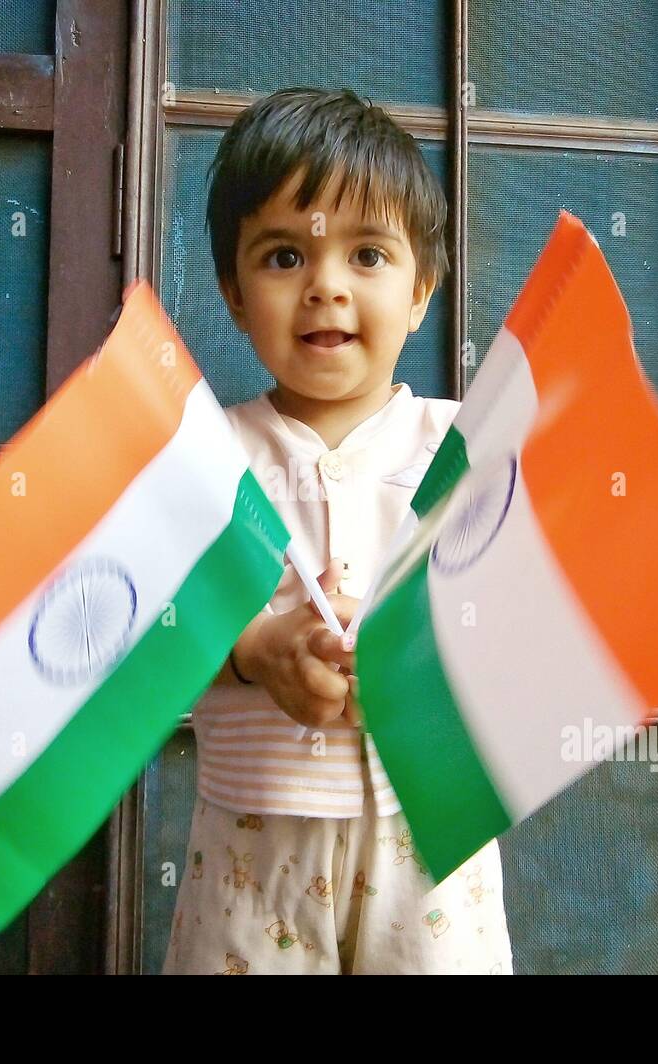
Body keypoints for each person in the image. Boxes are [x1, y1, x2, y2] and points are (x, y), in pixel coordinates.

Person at [162, 87, 513, 975]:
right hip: (251, 845)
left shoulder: (470, 447)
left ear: (422, 289)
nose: (325, 284)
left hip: (432, 842)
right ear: (234, 296)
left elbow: (523, 633)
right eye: (284, 255)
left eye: (367, 253)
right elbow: (148, 637)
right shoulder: (200, 453)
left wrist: (409, 652)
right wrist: (255, 649)